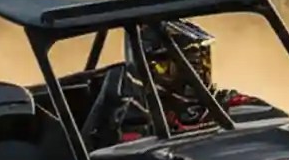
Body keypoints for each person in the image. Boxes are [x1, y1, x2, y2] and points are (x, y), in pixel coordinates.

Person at [95, 19, 277, 145]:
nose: (193, 74)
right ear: (149, 68)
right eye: (180, 65)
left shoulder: (225, 104)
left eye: (199, 63)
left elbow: (282, 125)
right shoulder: (131, 121)